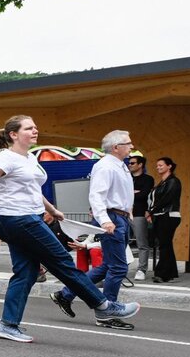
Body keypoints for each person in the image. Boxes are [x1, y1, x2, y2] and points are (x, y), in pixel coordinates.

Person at [0, 116, 140, 342]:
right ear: (14, 134)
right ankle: (103, 306)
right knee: (61, 261)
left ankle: (7, 325)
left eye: (35, 127)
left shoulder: (30, 157)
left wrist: (53, 209)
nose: (35, 130)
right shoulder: (6, 157)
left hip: (24, 219)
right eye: (29, 128)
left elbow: (33, 189)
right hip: (18, 219)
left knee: (27, 272)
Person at [49, 130, 137, 328]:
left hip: (119, 218)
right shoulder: (105, 166)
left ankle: (66, 294)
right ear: (116, 147)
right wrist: (105, 220)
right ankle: (107, 311)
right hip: (113, 218)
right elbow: (96, 195)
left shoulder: (119, 165)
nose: (132, 146)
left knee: (108, 266)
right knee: (118, 267)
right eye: (128, 143)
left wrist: (127, 213)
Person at [147, 157, 182, 283]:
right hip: (161, 215)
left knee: (164, 245)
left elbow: (166, 199)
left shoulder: (173, 181)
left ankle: (162, 273)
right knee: (166, 245)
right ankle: (170, 273)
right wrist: (151, 212)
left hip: (169, 215)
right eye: (157, 165)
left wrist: (151, 212)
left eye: (161, 165)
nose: (158, 167)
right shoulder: (163, 182)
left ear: (169, 166)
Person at [128, 154, 154, 280]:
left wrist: (129, 194)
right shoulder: (126, 178)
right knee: (120, 242)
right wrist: (134, 193)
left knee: (142, 243)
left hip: (139, 213)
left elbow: (143, 195)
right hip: (123, 213)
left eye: (132, 163)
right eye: (129, 163)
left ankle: (141, 270)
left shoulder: (148, 179)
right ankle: (119, 268)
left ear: (140, 165)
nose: (130, 165)